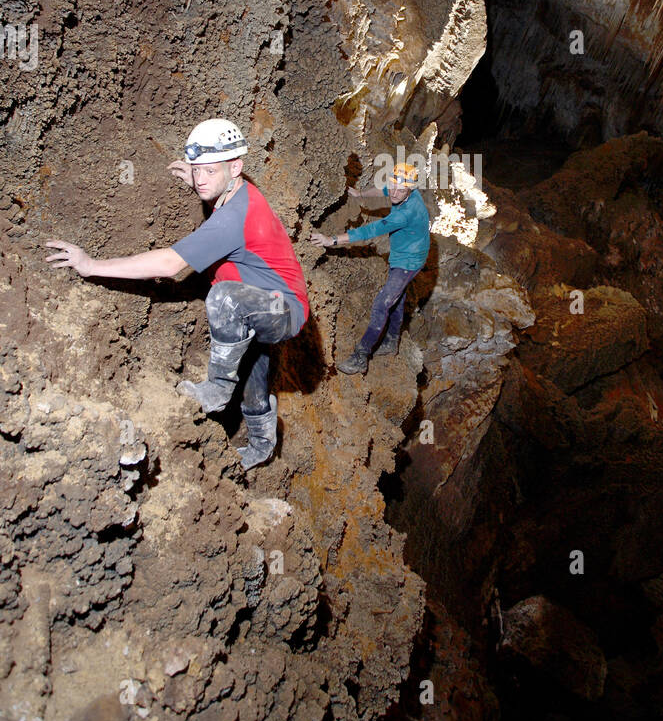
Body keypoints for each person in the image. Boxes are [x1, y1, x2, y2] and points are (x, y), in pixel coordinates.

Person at [45, 118, 309, 470]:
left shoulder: (236, 217)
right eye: (197, 170)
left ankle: (216, 390)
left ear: (236, 167)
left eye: (209, 171)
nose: (200, 178)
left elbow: (170, 264)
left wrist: (91, 265)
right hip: (260, 301)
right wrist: (203, 182)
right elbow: (217, 191)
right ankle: (263, 445)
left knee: (224, 300)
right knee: (251, 375)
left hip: (282, 308)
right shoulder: (235, 189)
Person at [311, 162, 430, 373]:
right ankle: (392, 342)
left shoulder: (404, 214)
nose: (394, 193)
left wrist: (332, 240)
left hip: (409, 262)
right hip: (407, 252)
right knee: (397, 298)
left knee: (382, 304)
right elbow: (386, 189)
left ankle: (361, 355)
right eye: (393, 186)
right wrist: (361, 194)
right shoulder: (402, 190)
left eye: (400, 190)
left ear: (410, 190)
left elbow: (369, 231)